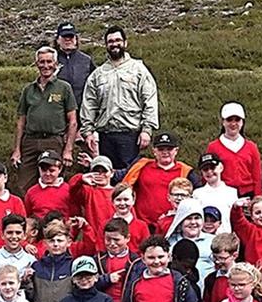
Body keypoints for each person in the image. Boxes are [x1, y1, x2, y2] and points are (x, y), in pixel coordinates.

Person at [79, 26, 157, 172]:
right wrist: (88, 132)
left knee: (129, 177)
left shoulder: (138, 69)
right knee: (105, 177)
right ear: (106, 45)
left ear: (125, 43)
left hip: (130, 135)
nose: (114, 44)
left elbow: (150, 100)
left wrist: (147, 130)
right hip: (105, 135)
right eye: (110, 41)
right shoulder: (98, 74)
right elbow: (89, 105)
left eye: (118, 40)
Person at [10, 47, 79, 195]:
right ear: (36, 63)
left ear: (55, 64)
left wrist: (68, 150)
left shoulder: (64, 88)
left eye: (49, 62)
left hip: (54, 141)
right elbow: (21, 121)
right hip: (30, 142)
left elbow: (72, 121)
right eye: (42, 62)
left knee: (53, 183)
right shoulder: (28, 90)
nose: (45, 65)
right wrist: (17, 150)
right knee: (24, 186)